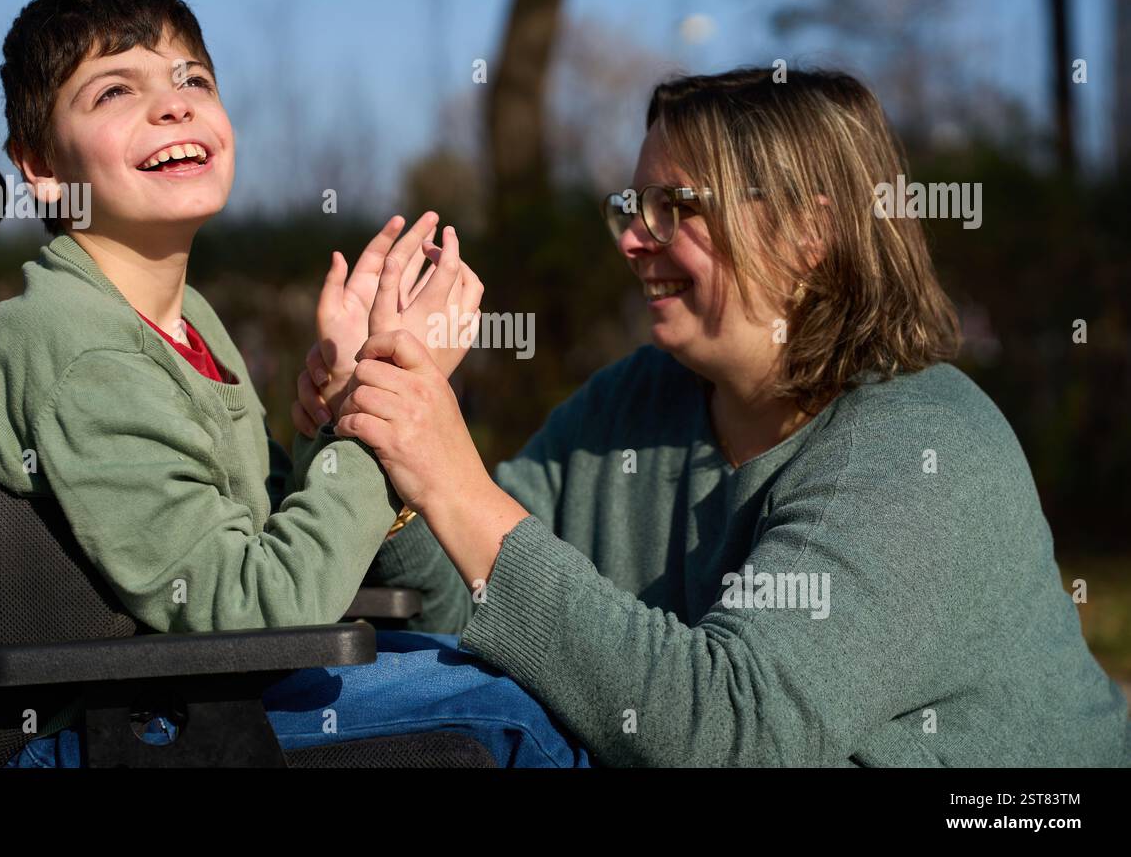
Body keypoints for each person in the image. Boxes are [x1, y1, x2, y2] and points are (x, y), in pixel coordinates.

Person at [299, 67, 1131, 766]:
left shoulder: (920, 448)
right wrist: (370, 430)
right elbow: (471, 611)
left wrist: (457, 481)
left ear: (813, 228)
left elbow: (734, 731)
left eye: (677, 207)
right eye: (633, 204)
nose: (633, 239)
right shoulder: (637, 401)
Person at [0, 0, 589, 767]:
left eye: (193, 79)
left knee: (515, 667)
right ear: (38, 163)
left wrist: (349, 403)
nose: (174, 103)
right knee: (526, 714)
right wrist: (396, 409)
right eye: (113, 92)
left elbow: (265, 542)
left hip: (183, 687)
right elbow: (256, 612)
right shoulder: (75, 344)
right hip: (96, 726)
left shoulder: (184, 318)